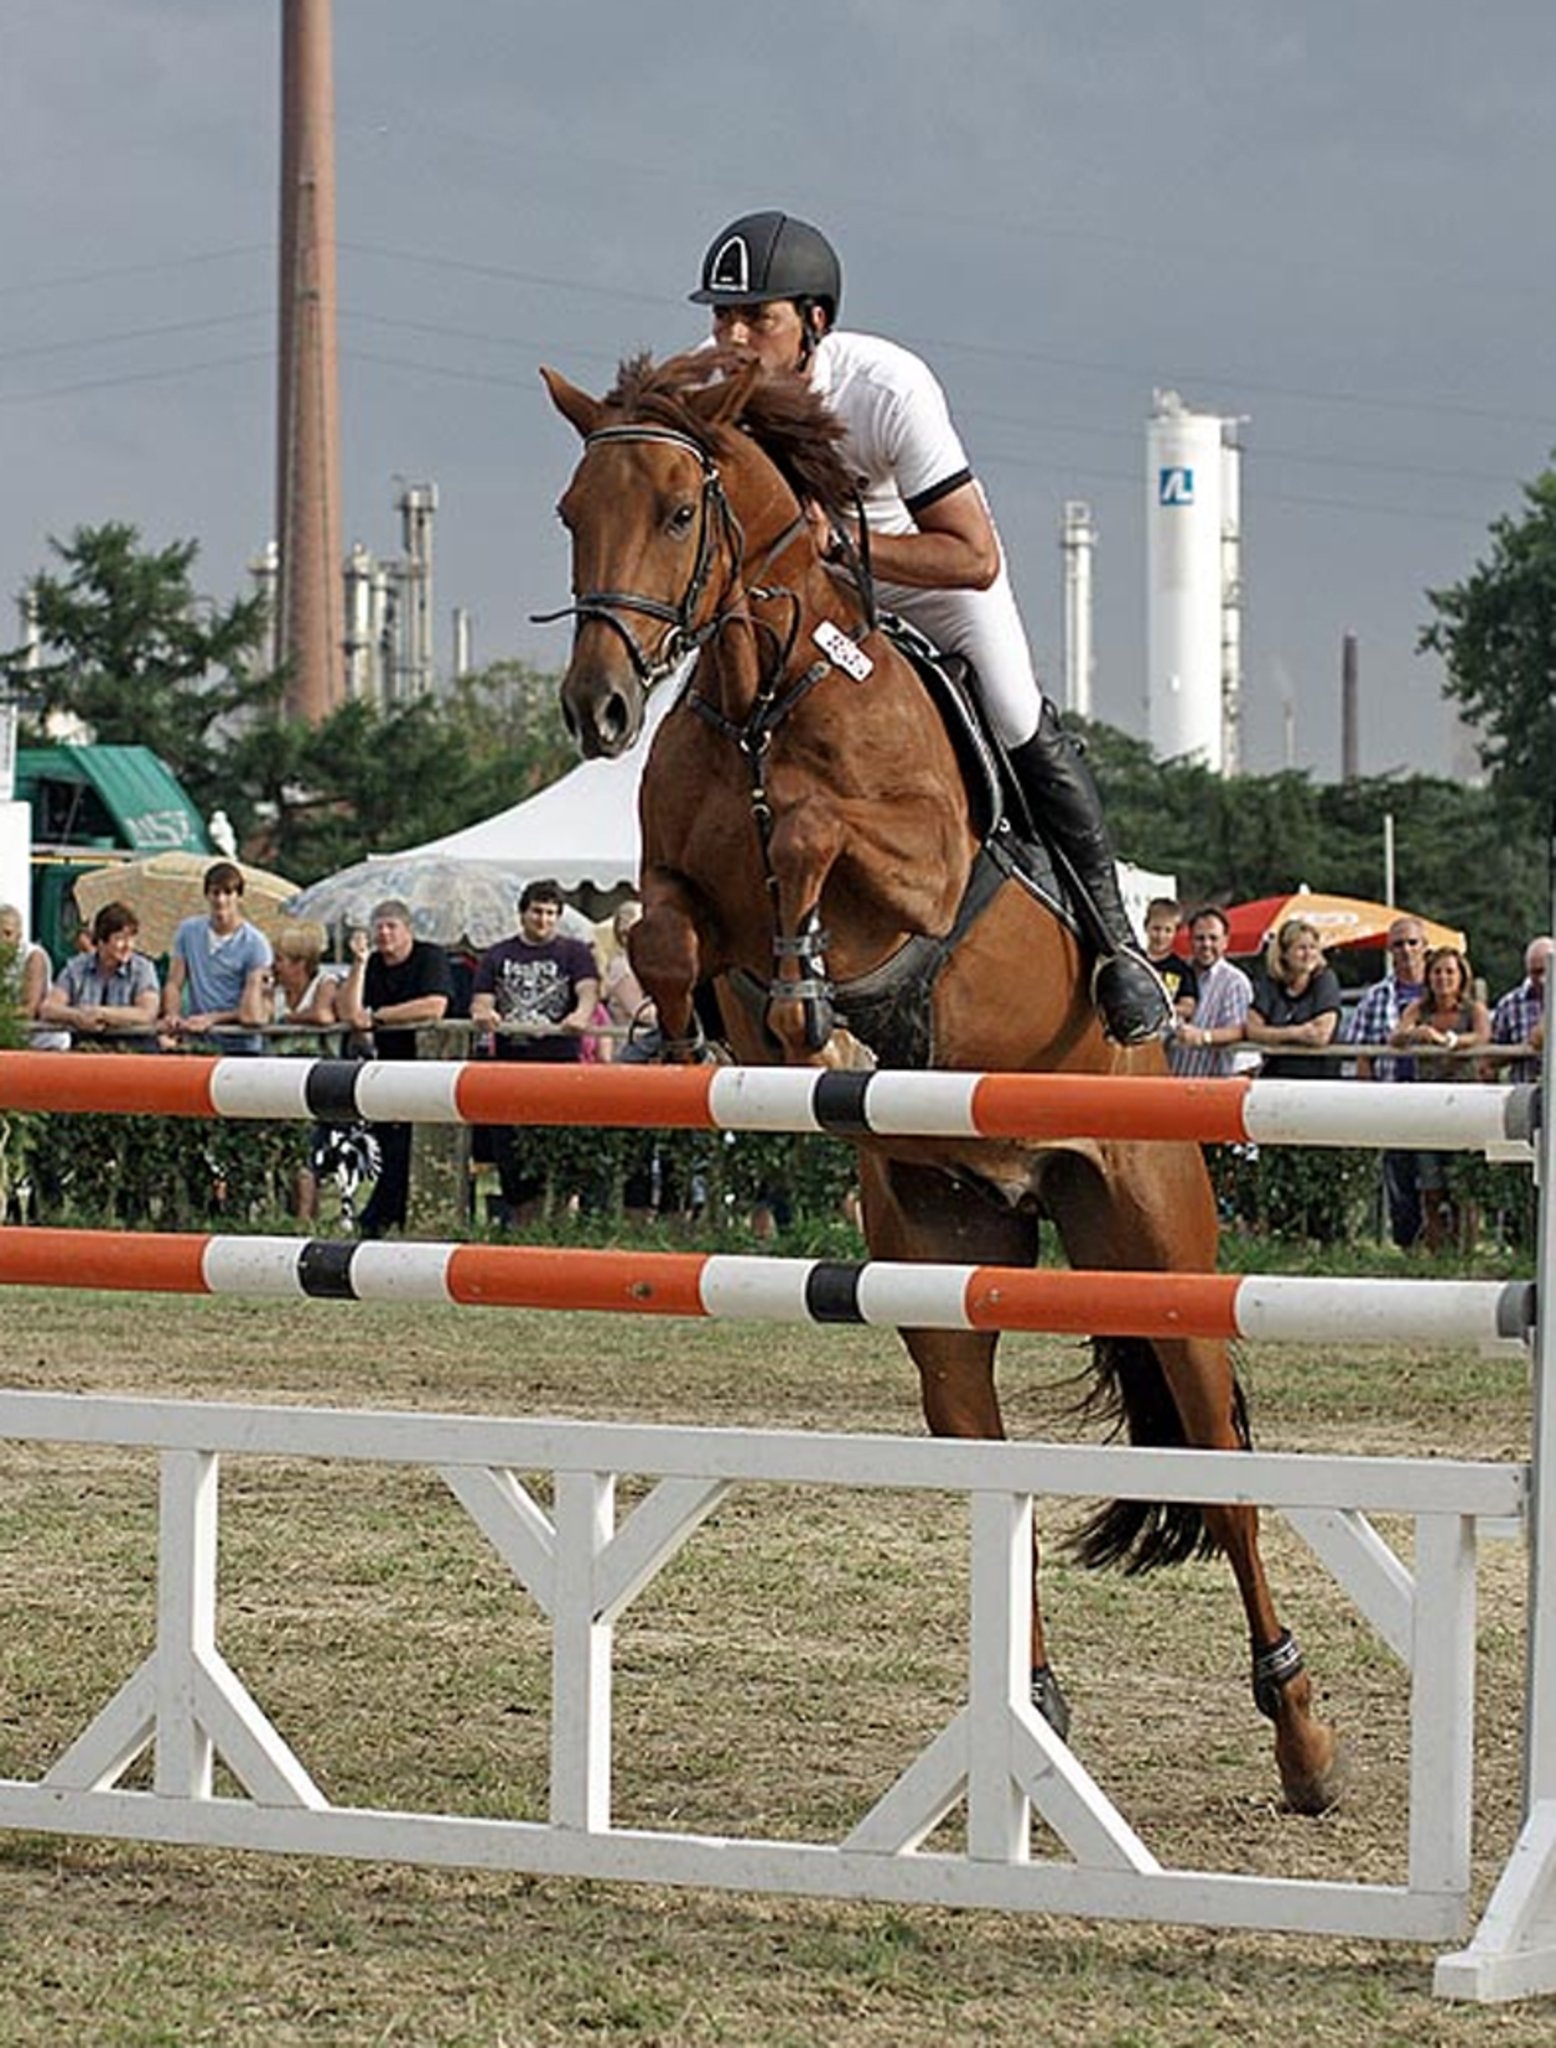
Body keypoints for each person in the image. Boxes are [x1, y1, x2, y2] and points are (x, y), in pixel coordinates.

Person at [688, 209, 1169, 1047]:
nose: (731, 337)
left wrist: (841, 546)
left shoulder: (887, 388)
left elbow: (972, 555)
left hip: (925, 576)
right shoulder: (708, 387)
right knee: (710, 704)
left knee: (1014, 712)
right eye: (723, 316)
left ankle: (1116, 946)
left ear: (814, 321)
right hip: (807, 597)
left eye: (755, 318)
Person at [470, 880, 600, 1225]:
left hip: (559, 1065)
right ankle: (524, 1228)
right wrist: (484, 1014)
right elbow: (481, 1001)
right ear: (522, 913)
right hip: (511, 1066)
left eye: (550, 913)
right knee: (511, 1155)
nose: (543, 919)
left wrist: (581, 1015)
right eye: (537, 912)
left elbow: (588, 991)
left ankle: (560, 1225)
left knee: (560, 1150)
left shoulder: (574, 952)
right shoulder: (497, 955)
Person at [336, 899, 453, 1239]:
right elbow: (350, 1013)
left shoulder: (430, 957)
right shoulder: (373, 964)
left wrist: (379, 1016)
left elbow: (435, 1006)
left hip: (431, 1068)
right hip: (386, 1069)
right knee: (389, 1147)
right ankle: (386, 1221)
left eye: (392, 926)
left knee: (408, 1148)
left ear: (408, 930)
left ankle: (375, 1222)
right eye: (379, 927)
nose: (384, 933)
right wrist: (359, 963)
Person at [240, 920, 356, 1223]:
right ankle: (291, 1214)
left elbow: (322, 1014)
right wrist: (254, 982)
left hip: (318, 1080)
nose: (274, 966)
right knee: (288, 1152)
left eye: (279, 959)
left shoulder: (326, 982)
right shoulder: (274, 992)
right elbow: (253, 1018)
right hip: (279, 1081)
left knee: (307, 1151)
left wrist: (286, 1020)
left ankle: (305, 1219)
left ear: (300, 963)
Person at [1389, 946, 1491, 1252]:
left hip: (1466, 1105)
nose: (1443, 978)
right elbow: (1395, 1037)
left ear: (1461, 977)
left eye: (1449, 971)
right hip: (1428, 1106)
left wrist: (1447, 1040)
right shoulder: (1418, 1009)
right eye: (1437, 971)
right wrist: (1417, 1034)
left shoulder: (1473, 1010)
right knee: (1430, 1185)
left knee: (1464, 1184)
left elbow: (1482, 1036)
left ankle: (1466, 1250)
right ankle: (1436, 1253)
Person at [1343, 916, 1429, 1251]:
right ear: (1390, 951)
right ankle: (1408, 1247)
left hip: (1437, 1097)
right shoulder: (1376, 996)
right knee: (1400, 1178)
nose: (1406, 950)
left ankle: (1445, 1246)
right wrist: (1369, 1098)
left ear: (1425, 946)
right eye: (1398, 944)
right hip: (1393, 1099)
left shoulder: (1443, 988)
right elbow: (1360, 1052)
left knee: (1438, 1179)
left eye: (1412, 942)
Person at [160, 860, 273, 1054]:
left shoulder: (256, 943)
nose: (221, 900)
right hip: (198, 1043)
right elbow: (174, 983)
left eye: (228, 893)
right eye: (215, 892)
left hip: (242, 1046)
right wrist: (172, 1015)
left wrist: (212, 1019)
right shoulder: (187, 931)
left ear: (239, 897)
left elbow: (258, 1010)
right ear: (207, 895)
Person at [38, 902, 160, 1045]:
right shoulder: (76, 968)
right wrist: (77, 1017)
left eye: (132, 938)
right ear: (101, 941)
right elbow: (48, 1008)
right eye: (120, 939)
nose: (128, 946)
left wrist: (102, 1014)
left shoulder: (143, 969)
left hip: (133, 1047)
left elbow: (147, 1013)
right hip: (85, 1046)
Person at [1243, 918, 1342, 1079]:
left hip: (1319, 1079)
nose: (1308, 954)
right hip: (1275, 1078)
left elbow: (1320, 1034)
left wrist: (1273, 1034)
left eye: (1313, 947)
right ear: (1284, 953)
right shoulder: (1270, 984)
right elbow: (1252, 1030)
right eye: (1301, 948)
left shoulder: (1325, 980)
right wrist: (1297, 1032)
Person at [1166, 905, 1253, 1077]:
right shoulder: (1177, 973)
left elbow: (1239, 1031)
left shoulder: (1234, 982)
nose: (1206, 944)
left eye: (1213, 938)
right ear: (1190, 940)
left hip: (1212, 1082)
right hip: (1173, 1077)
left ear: (1225, 941)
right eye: (1200, 938)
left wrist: (1203, 1036)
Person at [0, 903, 68, 1048]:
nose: (1, 941)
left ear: (19, 936)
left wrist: (3, 1014)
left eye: (7, 934)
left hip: (41, 1036)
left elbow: (29, 1010)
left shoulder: (33, 957)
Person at [1488, 935, 1552, 1085]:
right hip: (1525, 1091)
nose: (1542, 979)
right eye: (1536, 972)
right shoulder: (1509, 1005)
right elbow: (1491, 1058)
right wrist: (1525, 1048)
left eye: (1547, 971)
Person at [1143, 897, 1197, 1026]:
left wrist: (1158, 1009)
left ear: (1175, 932)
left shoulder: (1182, 970)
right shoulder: (1134, 962)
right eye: (1156, 929)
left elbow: (1188, 1008)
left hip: (1165, 1030)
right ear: (1146, 927)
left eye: (1168, 930)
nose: (1161, 936)